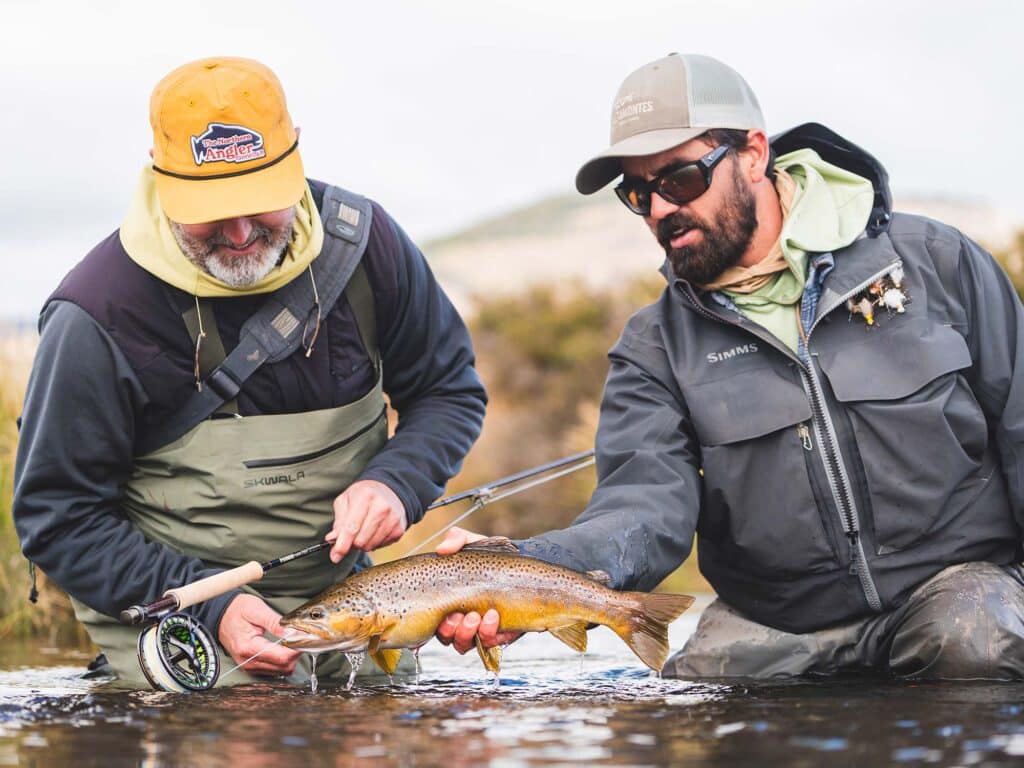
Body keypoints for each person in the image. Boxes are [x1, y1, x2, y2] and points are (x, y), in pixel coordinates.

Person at [437, 52, 1024, 680]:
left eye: (680, 179)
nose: (660, 209)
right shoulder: (652, 347)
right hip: (777, 620)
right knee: (682, 708)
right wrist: (516, 565)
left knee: (978, 642)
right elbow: (641, 509)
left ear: (753, 154)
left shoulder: (937, 262)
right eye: (638, 193)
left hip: (956, 588)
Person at [13, 57, 487, 687]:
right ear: (161, 183)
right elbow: (59, 518)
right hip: (174, 616)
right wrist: (210, 605)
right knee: (240, 738)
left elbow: (447, 389)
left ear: (294, 165)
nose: (238, 233)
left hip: (346, 605)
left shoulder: (369, 248)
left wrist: (398, 482)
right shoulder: (96, 314)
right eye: (210, 209)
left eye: (259, 202)